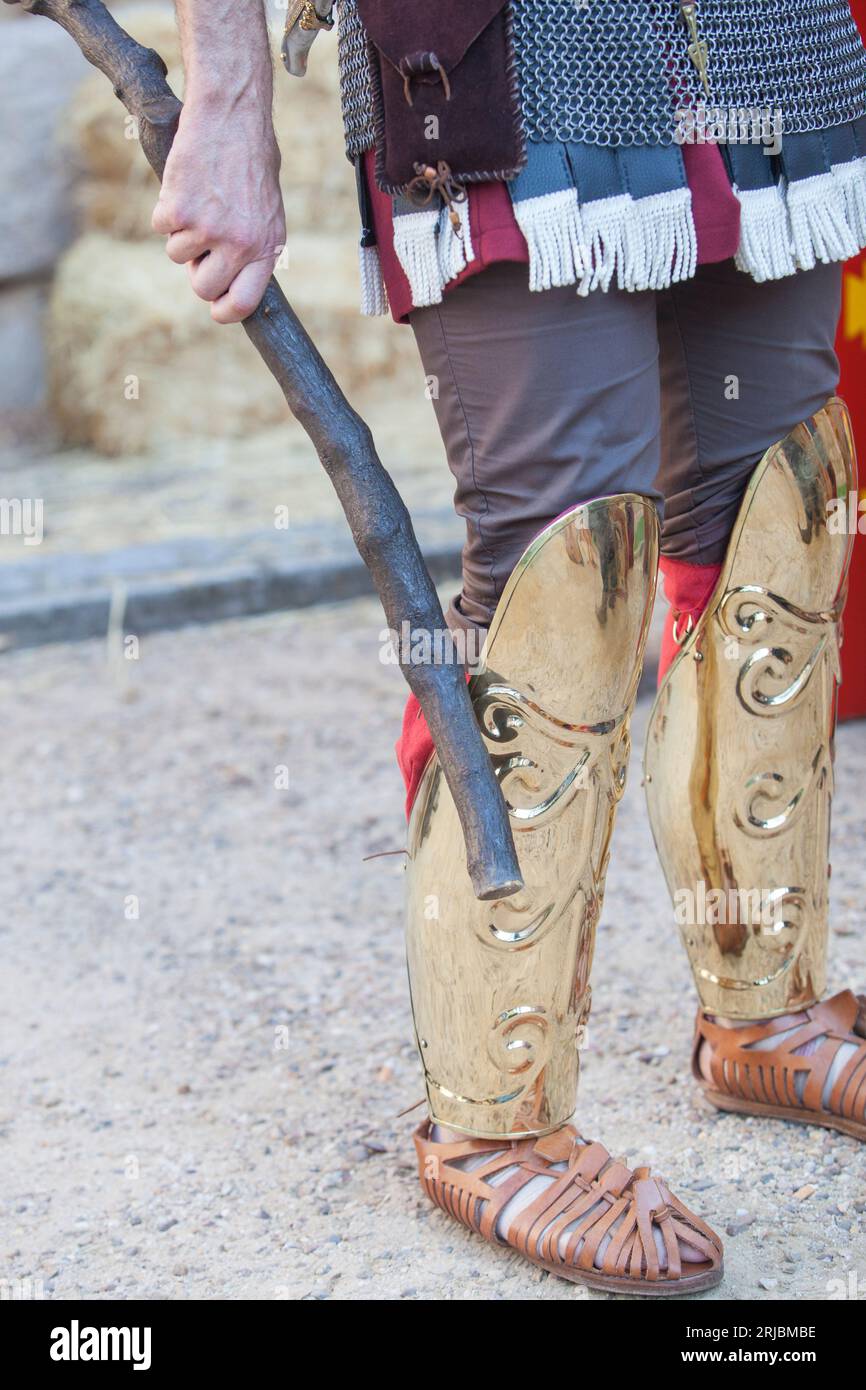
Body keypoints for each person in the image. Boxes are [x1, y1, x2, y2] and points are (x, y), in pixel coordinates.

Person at [155, 0, 866, 1294]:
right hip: (495, 56)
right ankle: (494, 1112)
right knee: (565, 571)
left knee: (783, 507)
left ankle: (763, 1004)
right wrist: (228, 102)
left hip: (763, 37)